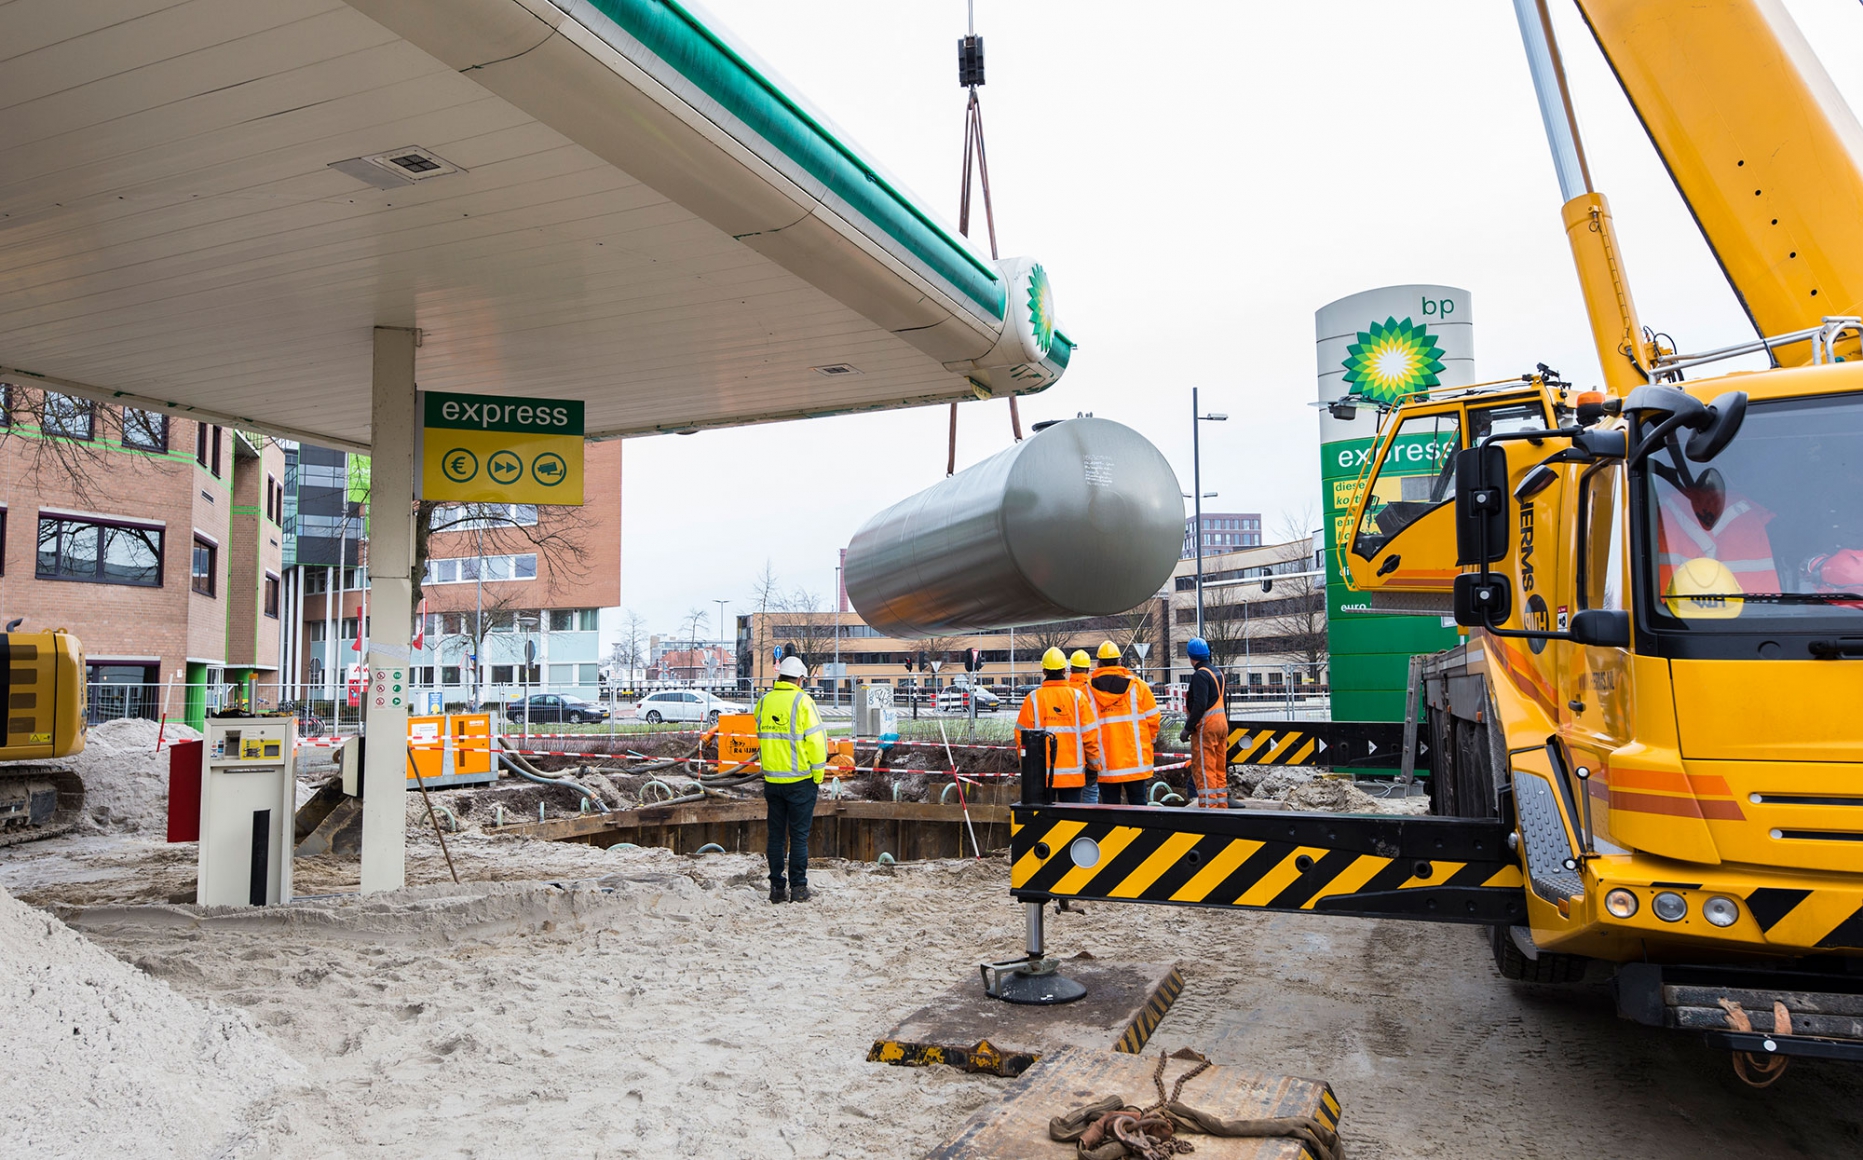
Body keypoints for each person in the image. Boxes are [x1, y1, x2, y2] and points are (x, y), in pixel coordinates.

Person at [755, 655, 827, 903]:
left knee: (775, 836)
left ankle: (776, 889)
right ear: (800, 679)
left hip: (773, 782)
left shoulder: (764, 702)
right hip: (800, 782)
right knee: (798, 837)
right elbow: (817, 742)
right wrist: (818, 774)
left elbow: (761, 735)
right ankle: (798, 888)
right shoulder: (803, 701)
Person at [1016, 647, 1101, 803]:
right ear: (1064, 670)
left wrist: (1028, 769)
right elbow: (1090, 736)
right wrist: (1094, 766)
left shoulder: (1033, 699)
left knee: (1045, 821)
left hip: (1042, 776)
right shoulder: (1077, 698)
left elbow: (1021, 739)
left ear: (1044, 671)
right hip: (1073, 776)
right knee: (1070, 822)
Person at [1087, 640, 1162, 806]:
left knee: (1110, 807)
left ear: (1098, 663)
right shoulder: (1139, 687)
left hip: (1106, 764)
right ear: (1120, 662)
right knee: (1139, 806)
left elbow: (1085, 728)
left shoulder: (1087, 691)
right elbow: (1154, 719)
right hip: (1136, 764)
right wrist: (1152, 739)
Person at [1179, 638, 1229, 808]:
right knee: (1219, 768)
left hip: (1207, 726)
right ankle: (1222, 806)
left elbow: (1200, 704)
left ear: (1191, 656)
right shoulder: (1217, 672)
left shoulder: (1200, 675)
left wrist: (1187, 728)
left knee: (1205, 769)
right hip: (1221, 724)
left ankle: (1209, 810)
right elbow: (1224, 701)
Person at [1067, 649, 1102, 802]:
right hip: (1089, 750)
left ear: (1070, 669)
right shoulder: (1095, 690)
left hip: (1067, 755)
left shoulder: (1064, 691)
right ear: (1088, 669)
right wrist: (1094, 761)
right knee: (1090, 793)